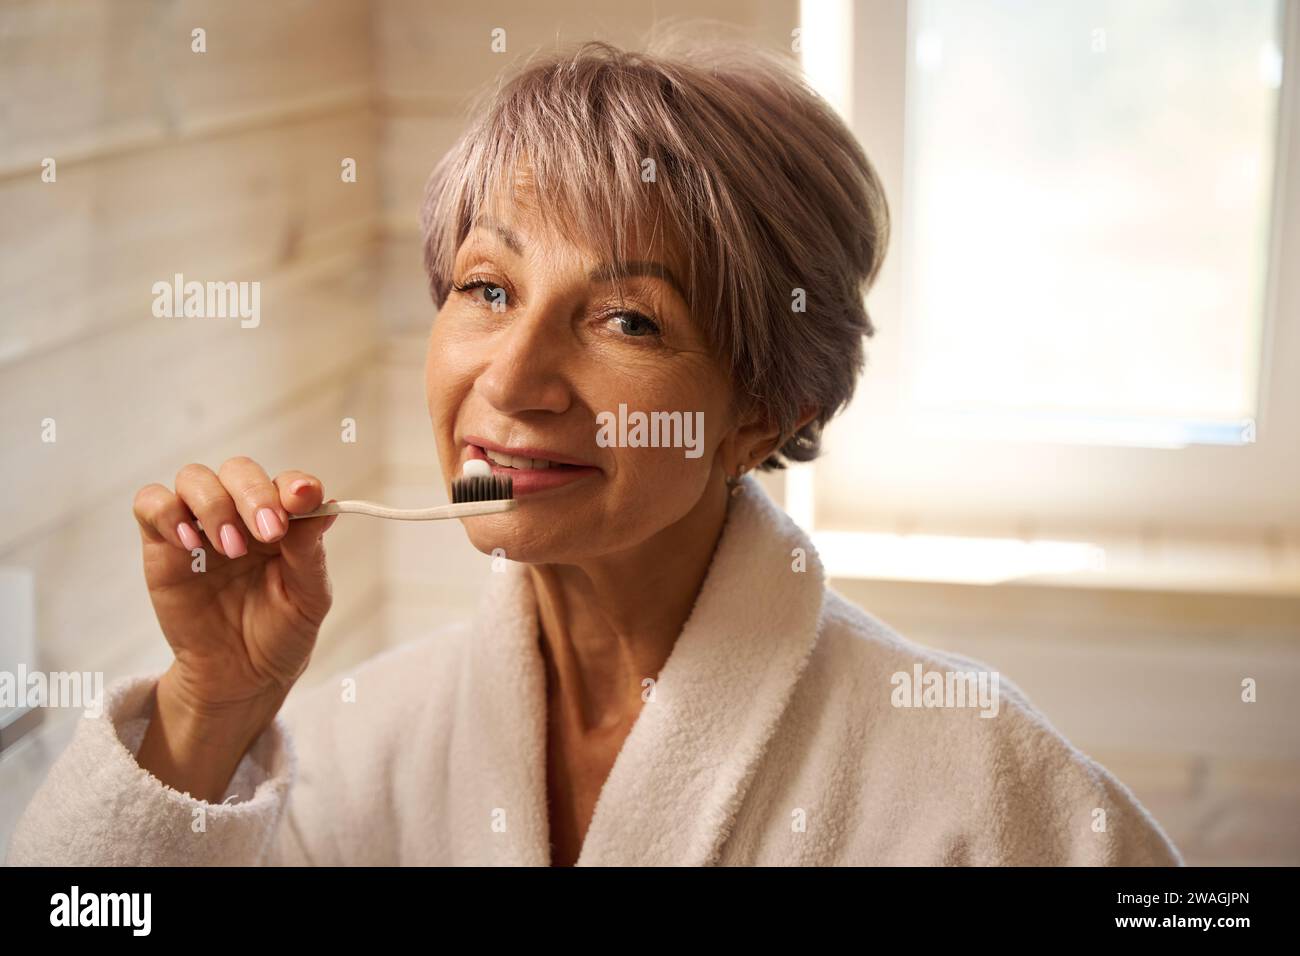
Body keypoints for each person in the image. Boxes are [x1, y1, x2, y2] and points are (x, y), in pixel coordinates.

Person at [6, 35, 1180, 867]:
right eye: (485, 288)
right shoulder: (355, 751)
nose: (511, 377)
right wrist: (207, 708)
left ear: (758, 413)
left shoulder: (983, 791)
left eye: (627, 318)